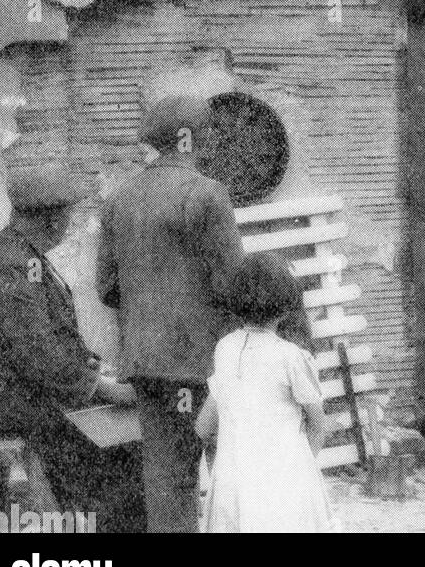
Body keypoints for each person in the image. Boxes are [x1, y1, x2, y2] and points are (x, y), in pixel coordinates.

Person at [0, 163, 145, 532]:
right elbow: (39, 354)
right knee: (126, 450)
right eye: (67, 215)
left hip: (20, 396)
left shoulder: (19, 255)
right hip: (5, 406)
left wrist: (97, 370)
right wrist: (105, 388)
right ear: (51, 219)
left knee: (120, 436)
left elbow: (48, 342)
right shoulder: (8, 265)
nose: (69, 223)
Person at [96, 79, 246, 533]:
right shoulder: (207, 194)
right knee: (230, 471)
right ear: (187, 137)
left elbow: (106, 288)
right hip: (204, 362)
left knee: (166, 478)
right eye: (206, 133)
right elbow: (234, 284)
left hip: (145, 363)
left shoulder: (118, 199)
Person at [196, 254, 334, 532]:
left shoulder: (224, 349)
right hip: (284, 480)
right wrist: (302, 473)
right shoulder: (292, 357)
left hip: (234, 479)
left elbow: (202, 427)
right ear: (285, 309)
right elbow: (318, 425)